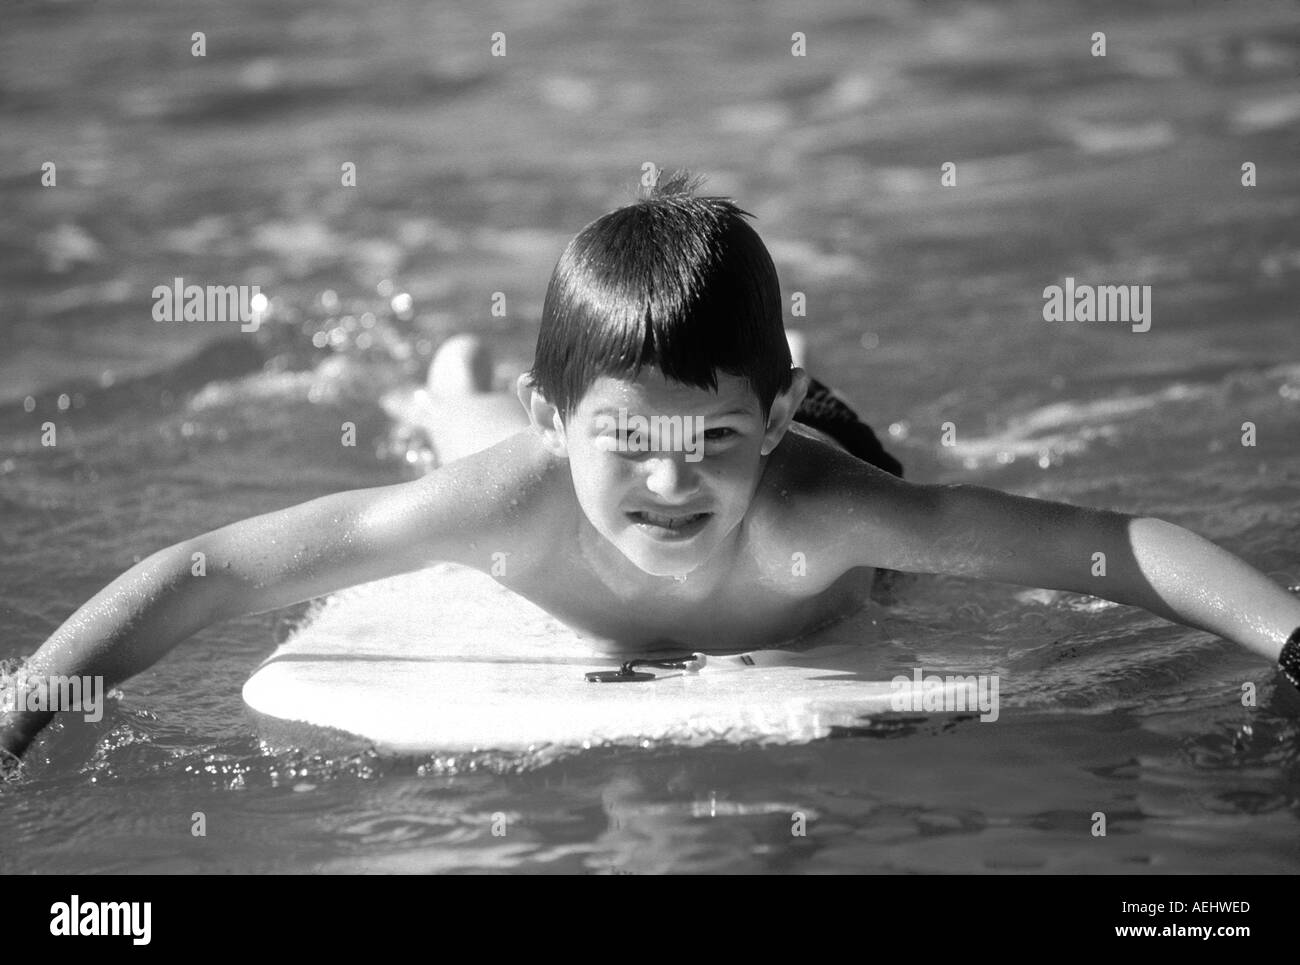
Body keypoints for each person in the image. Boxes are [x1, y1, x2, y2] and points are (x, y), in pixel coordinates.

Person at [4, 171, 1298, 765]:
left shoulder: (818, 515)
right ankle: (460, 385)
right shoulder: (519, 489)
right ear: (559, 420)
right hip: (579, 438)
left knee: (841, 477)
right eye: (629, 443)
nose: (671, 486)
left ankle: (762, 382)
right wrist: (28, 709)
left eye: (712, 446)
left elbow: (1107, 546)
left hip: (814, 434)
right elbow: (211, 567)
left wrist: (1289, 640)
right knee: (467, 454)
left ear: (769, 422)